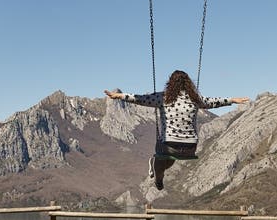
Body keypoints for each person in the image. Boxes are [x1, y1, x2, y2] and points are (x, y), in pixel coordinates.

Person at [105, 70, 249, 190]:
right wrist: (233, 100)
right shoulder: (195, 99)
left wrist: (119, 96)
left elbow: (140, 99)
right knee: (170, 156)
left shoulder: (163, 97)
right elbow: (214, 102)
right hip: (190, 148)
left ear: (170, 83)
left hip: (169, 146)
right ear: (188, 84)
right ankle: (158, 171)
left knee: (161, 154)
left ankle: (158, 178)